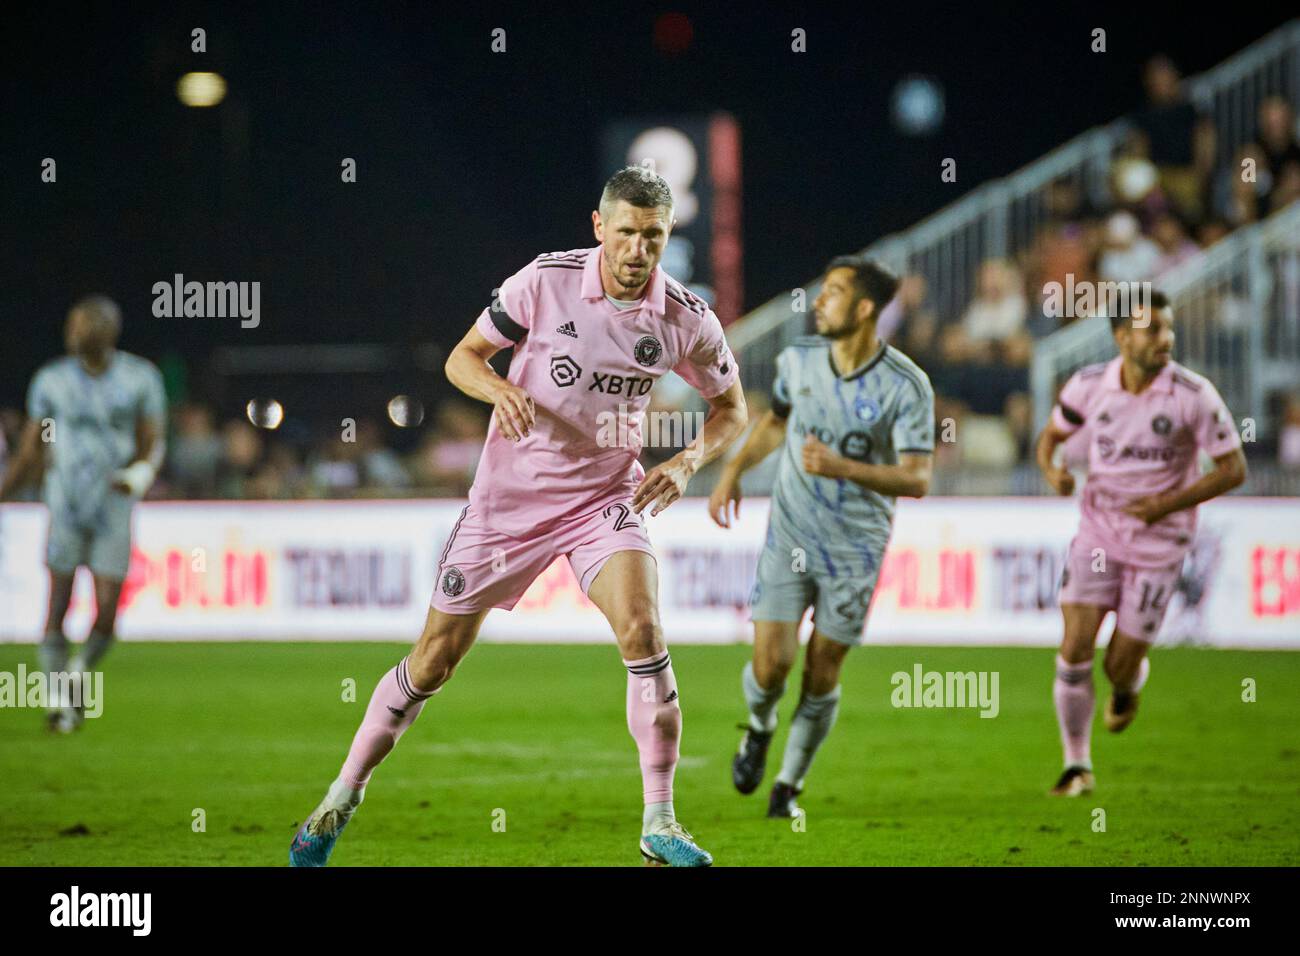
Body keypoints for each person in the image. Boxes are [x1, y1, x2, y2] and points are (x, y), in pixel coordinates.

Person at [289, 166, 748, 867]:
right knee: (435, 662)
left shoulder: (687, 317)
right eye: (625, 232)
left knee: (643, 628)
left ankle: (661, 822)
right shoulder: (545, 280)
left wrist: (686, 463)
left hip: (603, 499)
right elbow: (462, 358)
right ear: (600, 227)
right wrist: (498, 388)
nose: (637, 250)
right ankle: (339, 800)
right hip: (507, 506)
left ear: (667, 235)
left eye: (652, 236)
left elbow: (732, 410)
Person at [708, 255, 934, 818]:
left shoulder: (906, 386)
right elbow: (777, 423)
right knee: (771, 665)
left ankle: (788, 785)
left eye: (832, 292)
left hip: (856, 546)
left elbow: (918, 478)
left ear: (863, 310)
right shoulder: (799, 360)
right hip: (791, 531)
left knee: (823, 667)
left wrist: (844, 468)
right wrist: (733, 473)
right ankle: (759, 728)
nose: (818, 301)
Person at [1035, 291, 1246, 796]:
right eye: (1152, 328)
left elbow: (1234, 469)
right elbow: (1049, 438)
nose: (1165, 338)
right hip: (1099, 531)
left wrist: (1164, 505)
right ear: (1121, 336)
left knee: (1118, 664)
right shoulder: (1088, 386)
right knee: (1075, 646)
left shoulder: (1194, 395)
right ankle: (1076, 765)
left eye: (1168, 328)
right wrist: (1052, 471)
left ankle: (1128, 686)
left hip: (1160, 541)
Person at [0, 296, 166, 731]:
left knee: (109, 607)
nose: (72, 332)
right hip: (66, 502)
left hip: (113, 502)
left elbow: (152, 438)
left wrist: (139, 472)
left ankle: (79, 671)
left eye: (81, 325)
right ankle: (58, 698)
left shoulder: (139, 378)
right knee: (58, 597)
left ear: (106, 330)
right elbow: (31, 449)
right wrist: (5, 490)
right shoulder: (51, 381)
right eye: (72, 325)